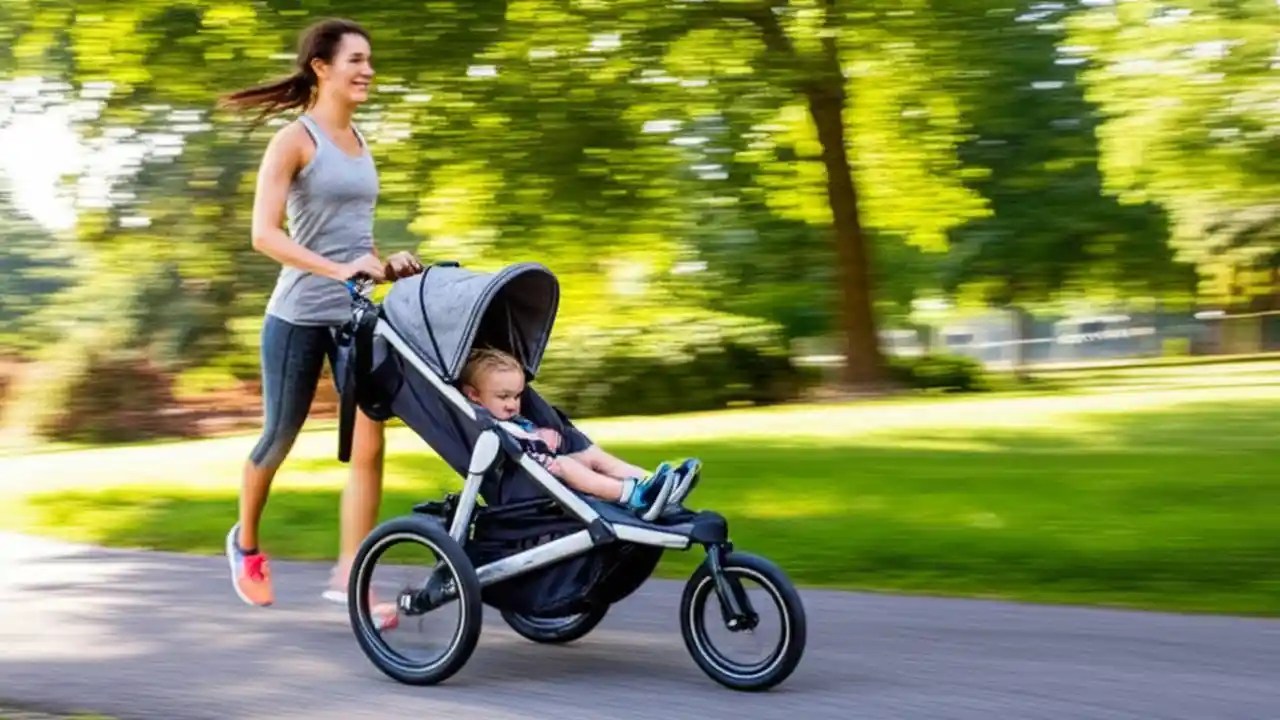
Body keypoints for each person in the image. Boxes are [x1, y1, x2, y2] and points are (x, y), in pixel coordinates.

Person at [217, 18, 419, 623]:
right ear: (321, 67)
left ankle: (349, 576)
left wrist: (386, 266)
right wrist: (339, 271)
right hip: (299, 316)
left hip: (353, 316)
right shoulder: (294, 140)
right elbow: (263, 236)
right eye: (356, 59)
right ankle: (245, 543)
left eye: (370, 59)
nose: (368, 70)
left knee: (370, 443)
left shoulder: (359, 139)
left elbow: (354, 239)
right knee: (279, 437)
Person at [458, 347, 701, 520]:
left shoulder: (509, 417)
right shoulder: (483, 420)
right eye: (503, 397)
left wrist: (541, 435)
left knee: (590, 456)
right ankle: (633, 495)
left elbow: (525, 436)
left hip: (541, 471)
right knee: (565, 463)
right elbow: (508, 449)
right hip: (523, 485)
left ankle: (655, 484)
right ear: (474, 395)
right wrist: (540, 449)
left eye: (517, 396)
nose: (513, 404)